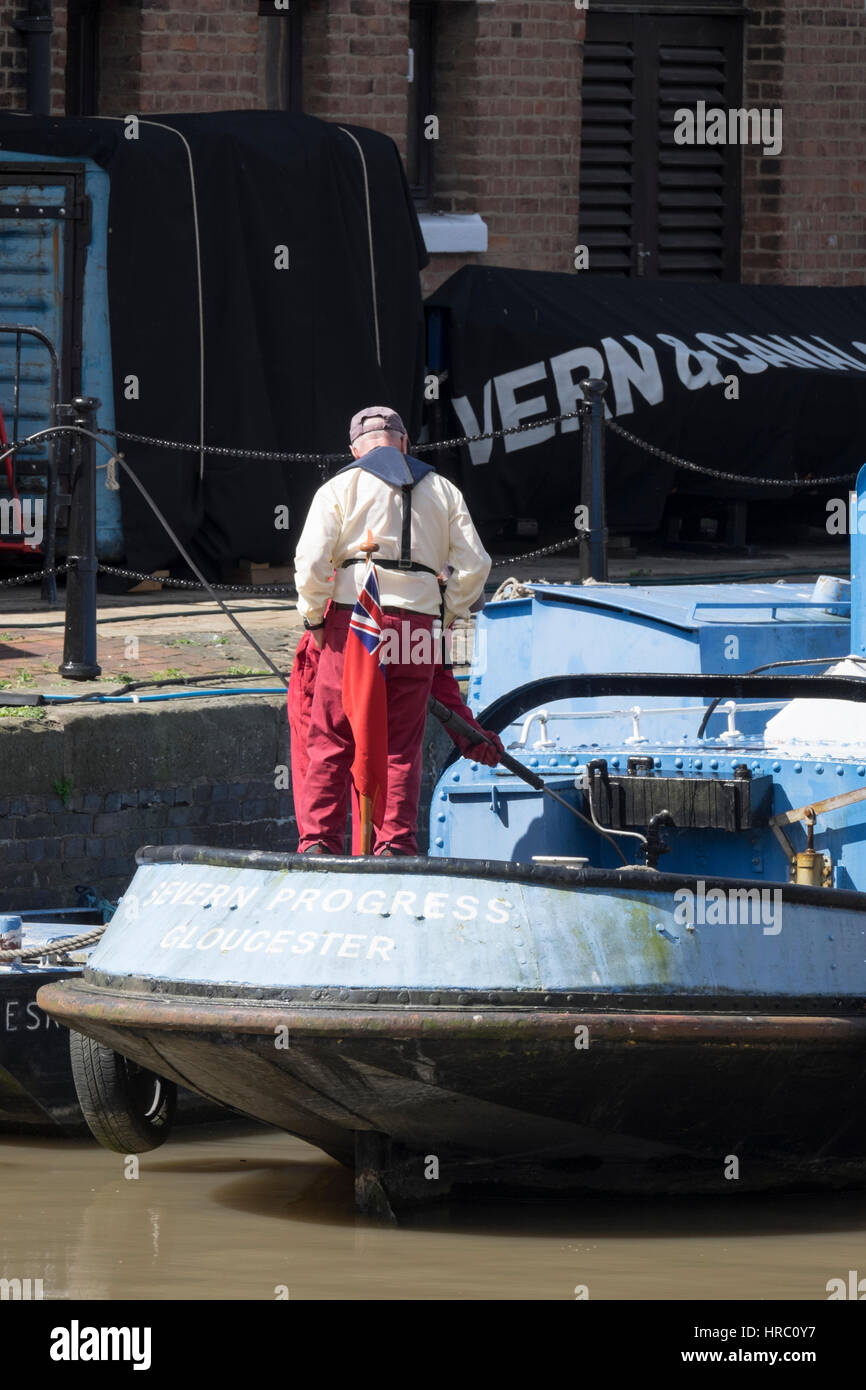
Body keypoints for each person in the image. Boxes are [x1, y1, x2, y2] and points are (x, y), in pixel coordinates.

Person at [293, 405, 491, 855]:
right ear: (404, 442)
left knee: (333, 736)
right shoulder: (443, 489)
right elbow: (476, 565)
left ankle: (320, 846)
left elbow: (310, 564)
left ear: (354, 449)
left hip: (355, 623)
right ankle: (395, 847)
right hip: (418, 626)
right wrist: (445, 613)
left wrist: (314, 618)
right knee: (402, 744)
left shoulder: (339, 486)